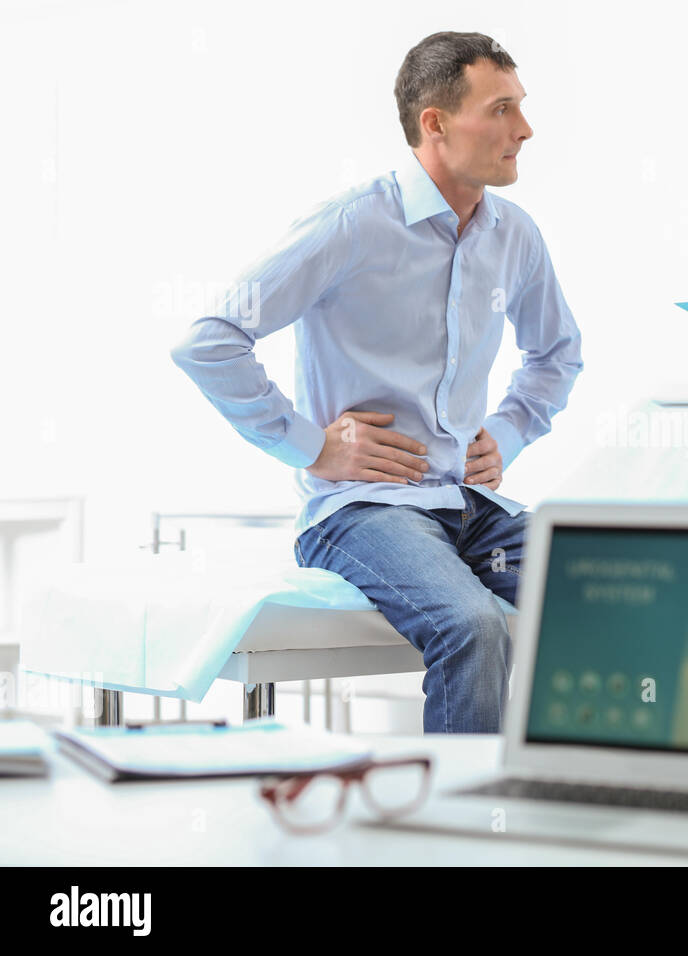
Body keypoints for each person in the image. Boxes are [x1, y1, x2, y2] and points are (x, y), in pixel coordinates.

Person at [170, 31, 582, 732]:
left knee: (603, 594)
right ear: (436, 122)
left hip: (468, 505)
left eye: (521, 106)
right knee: (472, 625)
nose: (525, 128)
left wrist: (508, 432)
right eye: (502, 108)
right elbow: (209, 341)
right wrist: (311, 447)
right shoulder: (352, 225)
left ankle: (590, 789)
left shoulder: (515, 235)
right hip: (360, 512)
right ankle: (465, 804)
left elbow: (557, 354)